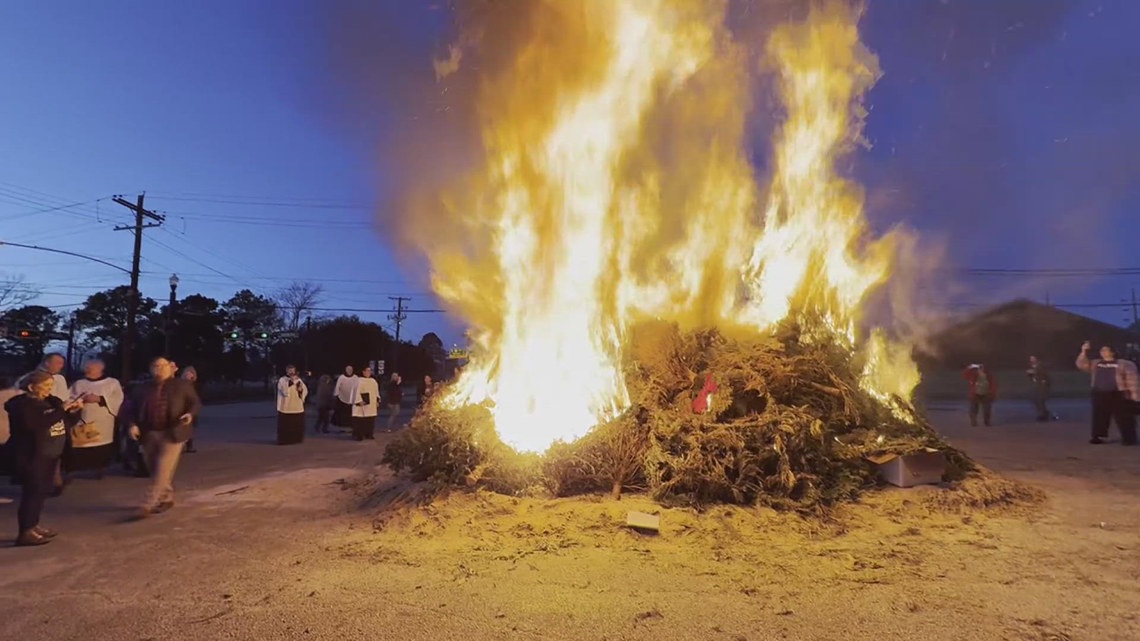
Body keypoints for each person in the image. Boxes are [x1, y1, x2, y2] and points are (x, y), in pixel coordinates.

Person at [5, 371, 82, 545]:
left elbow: (65, 421)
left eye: (50, 385)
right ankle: (25, 532)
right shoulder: (22, 406)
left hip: (51, 454)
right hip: (32, 455)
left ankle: (33, 525)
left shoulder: (50, 401)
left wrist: (75, 411)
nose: (49, 389)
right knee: (32, 494)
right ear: (32, 387)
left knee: (41, 493)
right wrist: (61, 410)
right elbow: (37, 424)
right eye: (45, 386)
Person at [127, 357, 202, 518]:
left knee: (163, 468)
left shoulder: (182, 385)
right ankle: (166, 498)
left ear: (171, 368)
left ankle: (147, 504)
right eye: (155, 366)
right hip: (150, 433)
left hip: (173, 433)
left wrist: (189, 414)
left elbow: (195, 403)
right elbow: (130, 408)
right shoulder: (142, 388)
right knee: (154, 469)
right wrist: (132, 424)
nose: (159, 369)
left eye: (163, 366)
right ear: (150, 369)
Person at [18, 353, 70, 495]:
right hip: (42, 429)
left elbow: (61, 399)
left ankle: (53, 482)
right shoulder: (33, 379)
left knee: (55, 454)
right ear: (47, 363)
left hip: (56, 423)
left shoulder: (59, 379)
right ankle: (43, 485)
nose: (61, 366)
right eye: (58, 362)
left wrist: (68, 407)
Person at [65, 359, 124, 479]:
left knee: (101, 444)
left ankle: (100, 469)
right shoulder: (79, 383)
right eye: (85, 368)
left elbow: (118, 399)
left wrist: (101, 399)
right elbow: (69, 397)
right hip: (83, 416)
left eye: (89, 368)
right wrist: (78, 401)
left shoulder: (112, 383)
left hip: (103, 419)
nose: (86, 370)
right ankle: (80, 468)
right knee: (82, 442)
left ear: (99, 369)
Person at [1076, 341, 1139, 445]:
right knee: (1099, 417)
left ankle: (1129, 438)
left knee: (1124, 417)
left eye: (1105, 350)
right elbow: (1081, 365)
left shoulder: (1124, 364)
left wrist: (1135, 396)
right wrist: (1083, 351)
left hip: (1118, 393)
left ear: (1113, 352)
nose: (1102, 352)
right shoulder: (1096, 363)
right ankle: (1098, 436)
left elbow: (1132, 380)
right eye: (1101, 350)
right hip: (1099, 393)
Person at [276, 365, 308, 445]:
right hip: (286, 407)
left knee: (296, 424)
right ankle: (285, 440)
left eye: (293, 371)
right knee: (286, 425)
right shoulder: (282, 380)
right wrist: (291, 382)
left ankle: (296, 439)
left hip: (297, 407)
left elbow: (304, 390)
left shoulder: (298, 380)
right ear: (286, 371)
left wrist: (300, 389)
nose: (291, 372)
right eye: (289, 371)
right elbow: (284, 391)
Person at [351, 366, 380, 441]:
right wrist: (358, 401)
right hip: (361, 404)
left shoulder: (373, 381)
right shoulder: (358, 381)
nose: (369, 372)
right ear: (363, 372)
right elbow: (355, 392)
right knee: (360, 421)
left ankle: (369, 434)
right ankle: (358, 435)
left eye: (370, 371)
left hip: (371, 405)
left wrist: (377, 400)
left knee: (370, 420)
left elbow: (376, 392)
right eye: (367, 371)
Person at [1026, 356, 1052, 422]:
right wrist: (1031, 375)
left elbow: (1044, 376)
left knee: (1040, 401)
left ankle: (1043, 415)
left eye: (1033, 358)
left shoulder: (1040, 366)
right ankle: (1044, 413)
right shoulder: (1033, 366)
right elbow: (1033, 378)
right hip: (1037, 386)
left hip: (1042, 386)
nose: (1031, 360)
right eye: (1031, 359)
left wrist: (1035, 373)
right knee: (1037, 401)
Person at [179, 366, 199, 454]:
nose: (189, 374)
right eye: (187, 372)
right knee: (184, 426)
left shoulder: (194, 384)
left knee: (192, 427)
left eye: (191, 373)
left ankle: (189, 446)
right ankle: (182, 445)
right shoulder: (181, 384)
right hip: (183, 407)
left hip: (192, 408)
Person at [333, 366, 358, 430]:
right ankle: (342, 427)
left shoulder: (355, 377)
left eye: (350, 370)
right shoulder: (341, 377)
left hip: (352, 398)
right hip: (342, 398)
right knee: (342, 414)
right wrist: (336, 394)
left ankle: (351, 426)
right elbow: (337, 387)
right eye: (348, 370)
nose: (349, 371)